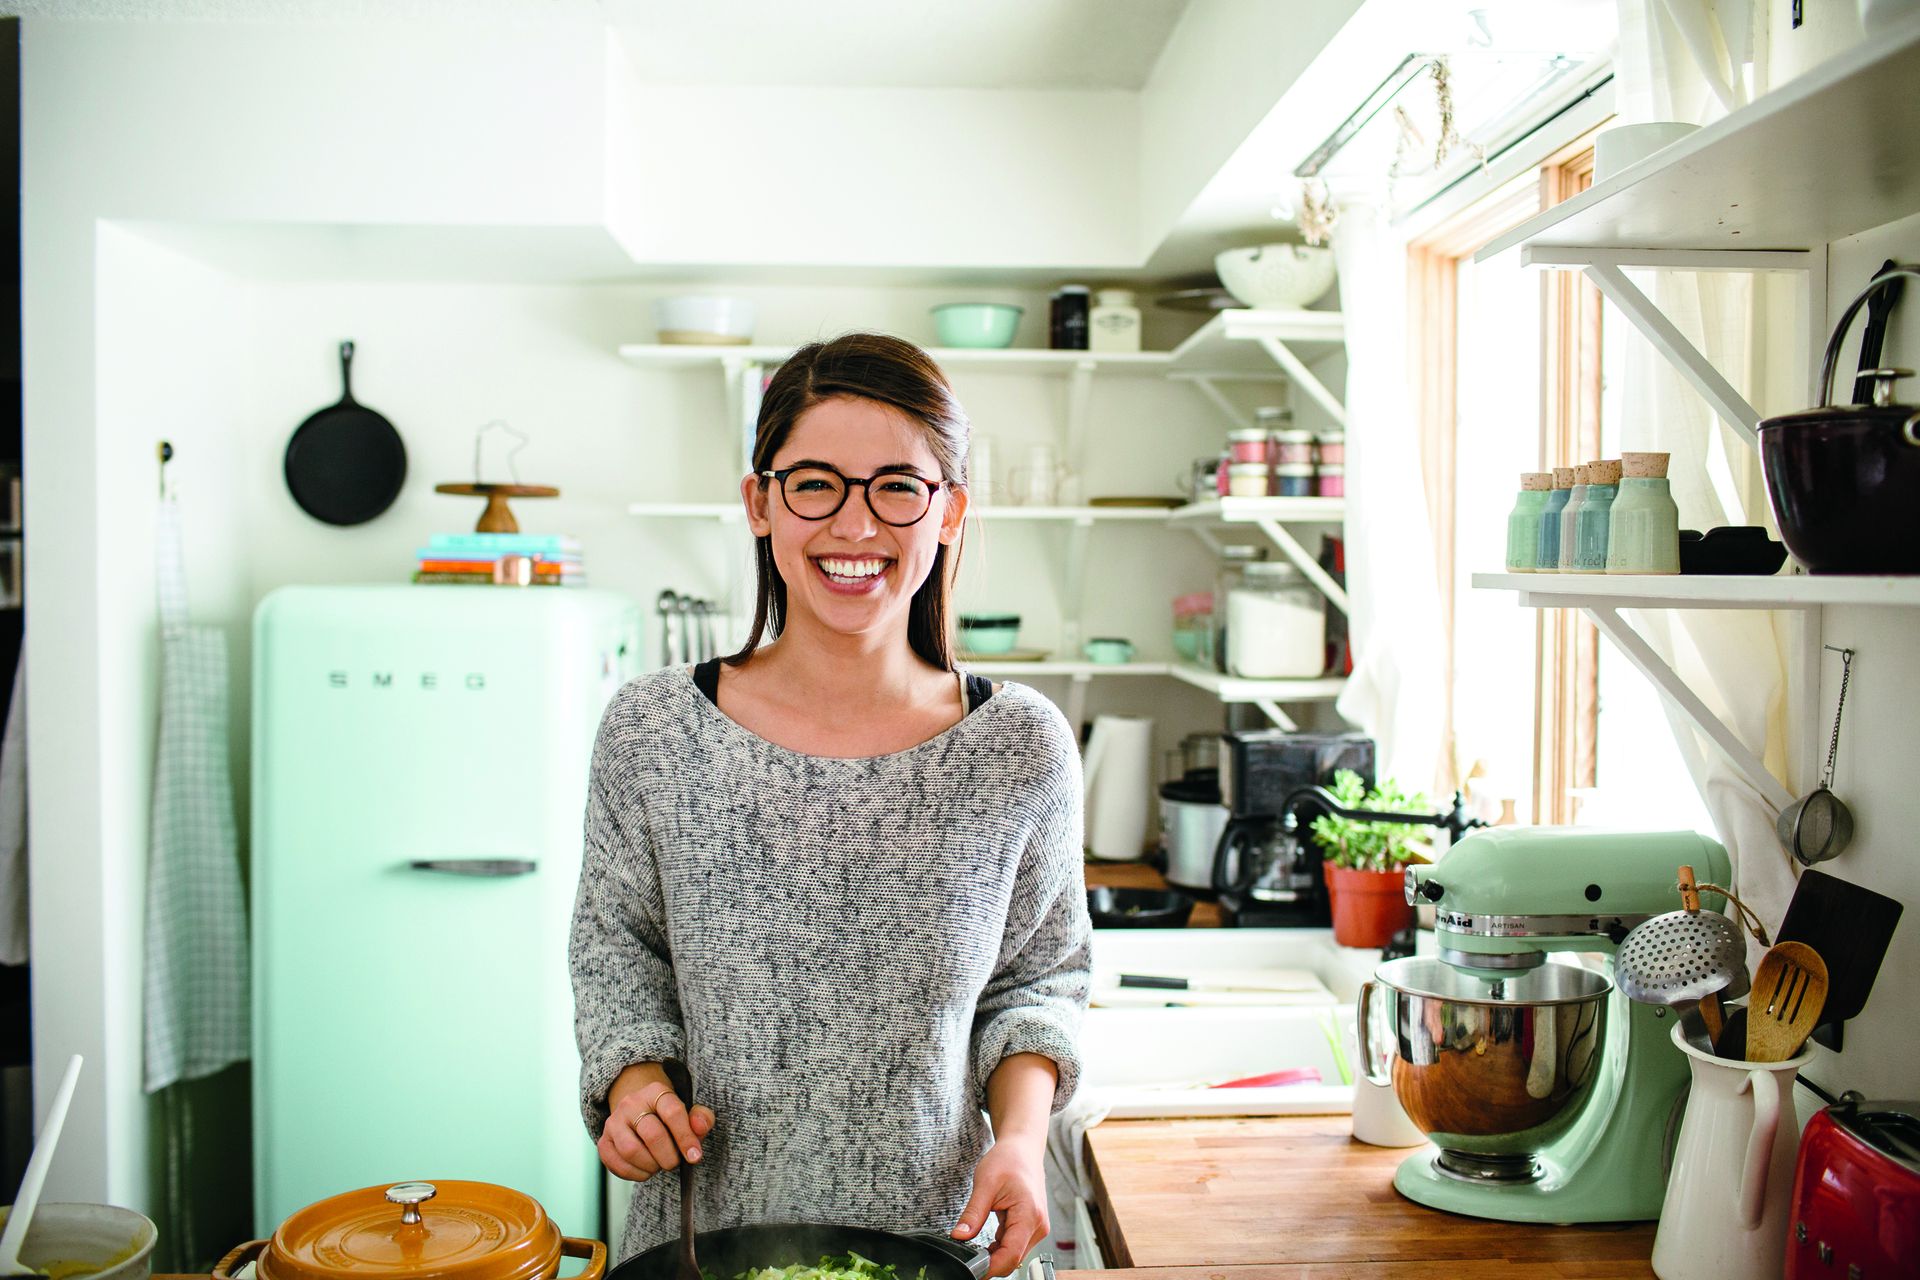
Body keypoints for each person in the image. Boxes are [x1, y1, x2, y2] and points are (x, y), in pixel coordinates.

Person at [570, 332, 1091, 1278]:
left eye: (897, 486)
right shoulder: (653, 730)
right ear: (760, 503)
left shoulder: (1020, 745)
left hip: (948, 1242)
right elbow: (616, 959)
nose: (856, 526)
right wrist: (634, 1081)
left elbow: (1036, 987)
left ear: (951, 513)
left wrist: (1019, 1141)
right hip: (698, 1250)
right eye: (815, 483)